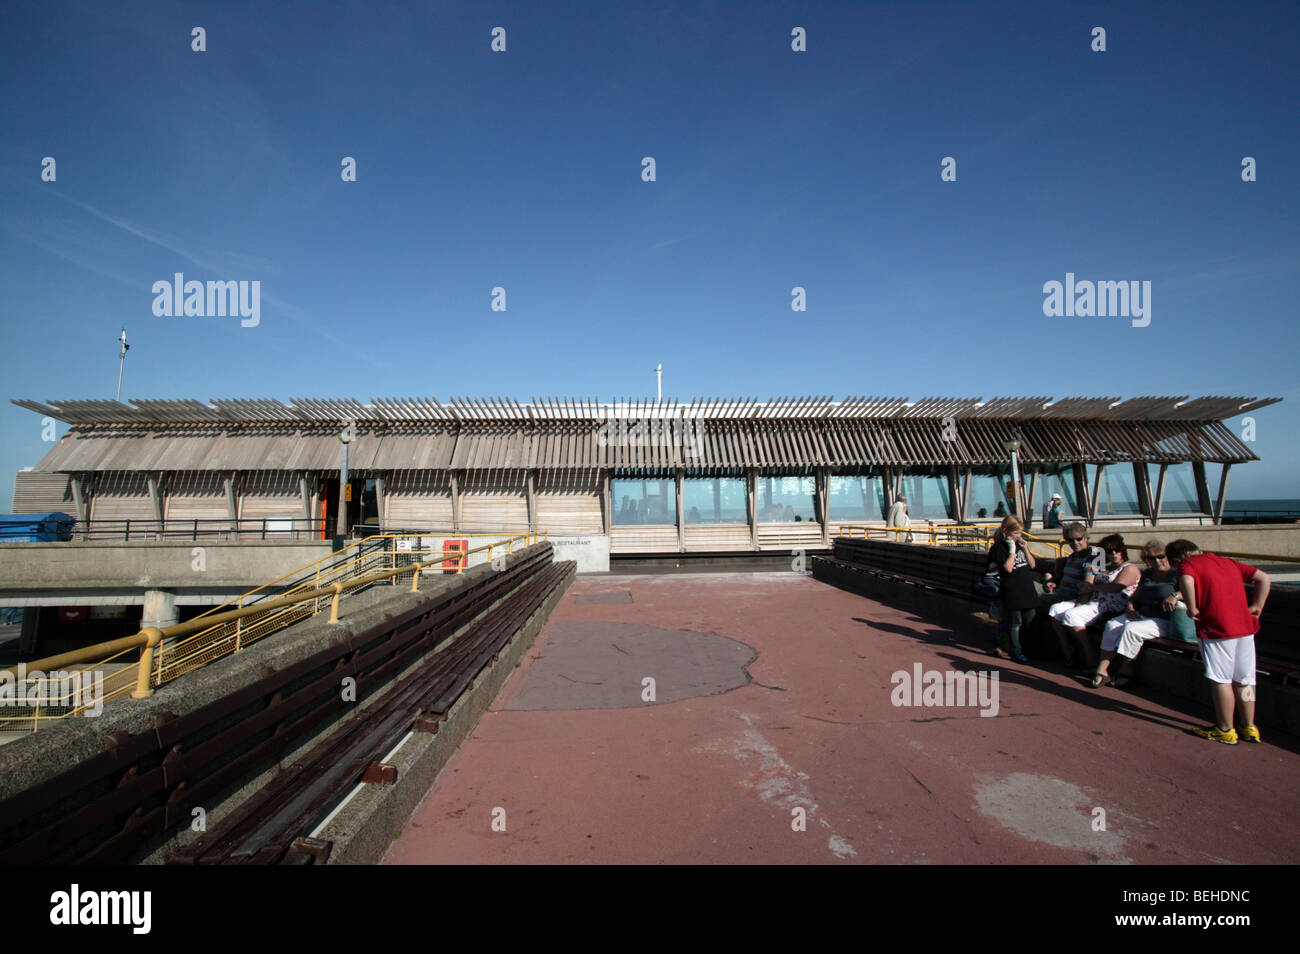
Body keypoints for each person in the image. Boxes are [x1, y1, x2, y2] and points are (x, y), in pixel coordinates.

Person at [1167, 539, 1271, 744]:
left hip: (1216, 628)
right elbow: (1264, 578)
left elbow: (1187, 581)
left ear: (1176, 559)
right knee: (1245, 679)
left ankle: (1225, 728)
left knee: (1221, 679)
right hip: (1245, 628)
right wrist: (1258, 605)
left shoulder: (1188, 565)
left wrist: (1191, 606)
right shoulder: (1228, 562)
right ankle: (1249, 726)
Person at [1091, 541, 1179, 688]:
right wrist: (1130, 608)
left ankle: (1126, 668)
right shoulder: (1147, 574)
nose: (1157, 561)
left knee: (1131, 629)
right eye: (1151, 558)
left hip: (1163, 619)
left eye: (1161, 556)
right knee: (1112, 625)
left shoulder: (1176, 575)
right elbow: (1135, 597)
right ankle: (1102, 668)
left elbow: (1190, 591)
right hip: (1142, 614)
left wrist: (1176, 595)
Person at [1048, 532, 1138, 669]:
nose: (1114, 554)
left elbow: (1116, 587)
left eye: (1117, 550)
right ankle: (1067, 648)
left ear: (1123, 551)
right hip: (1093, 600)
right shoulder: (1104, 568)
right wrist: (1088, 580)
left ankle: (1089, 655)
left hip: (1109, 606)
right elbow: (1087, 584)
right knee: (1055, 610)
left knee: (1071, 615)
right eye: (1109, 551)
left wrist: (1091, 587)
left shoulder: (1129, 568)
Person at [989, 516, 1046, 664]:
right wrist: (1012, 551)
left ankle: (1030, 648)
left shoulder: (1020, 545)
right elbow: (1007, 568)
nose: (1018, 536)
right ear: (1006, 531)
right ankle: (1016, 650)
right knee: (1016, 622)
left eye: (1020, 533)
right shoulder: (998, 549)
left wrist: (1025, 548)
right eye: (1016, 533)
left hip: (1026, 588)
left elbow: (1032, 565)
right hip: (1012, 590)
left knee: (1031, 619)